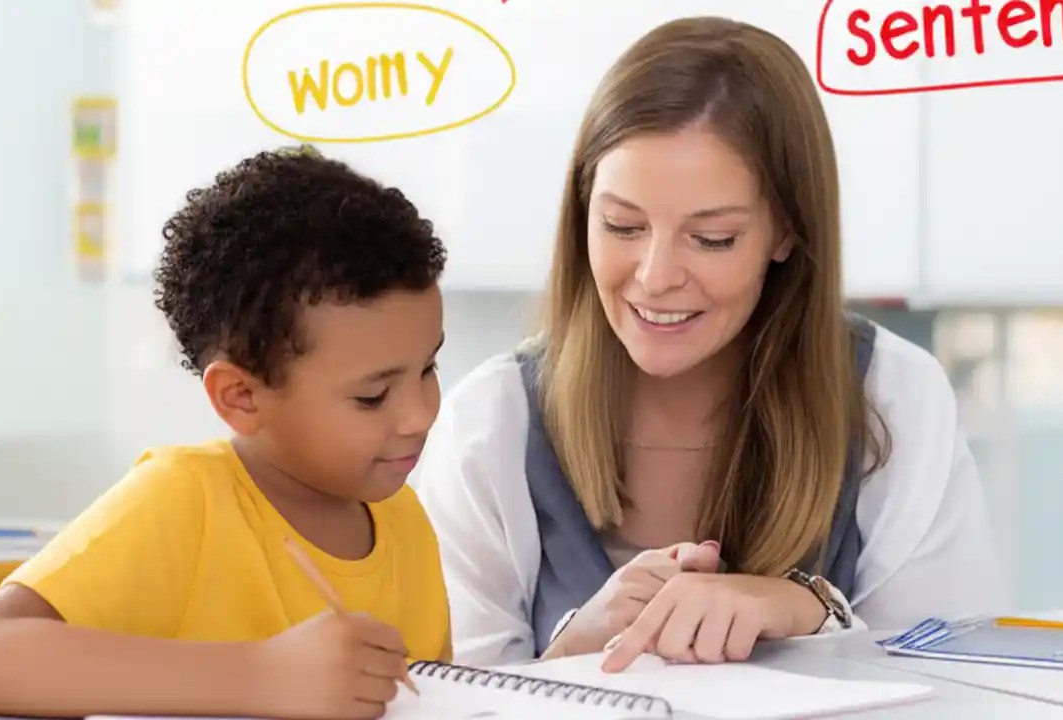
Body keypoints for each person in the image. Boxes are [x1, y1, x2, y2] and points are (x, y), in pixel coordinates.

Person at [411, 16, 1004, 671]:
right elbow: (447, 695)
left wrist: (807, 612)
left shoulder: (892, 397)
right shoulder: (492, 421)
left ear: (785, 232)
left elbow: (961, 679)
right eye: (621, 225)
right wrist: (577, 647)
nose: (656, 277)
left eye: (712, 238)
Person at [0, 147, 452, 718]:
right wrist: (262, 675)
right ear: (241, 397)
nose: (422, 414)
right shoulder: (186, 500)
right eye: (372, 396)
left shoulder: (405, 521)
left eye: (428, 368)